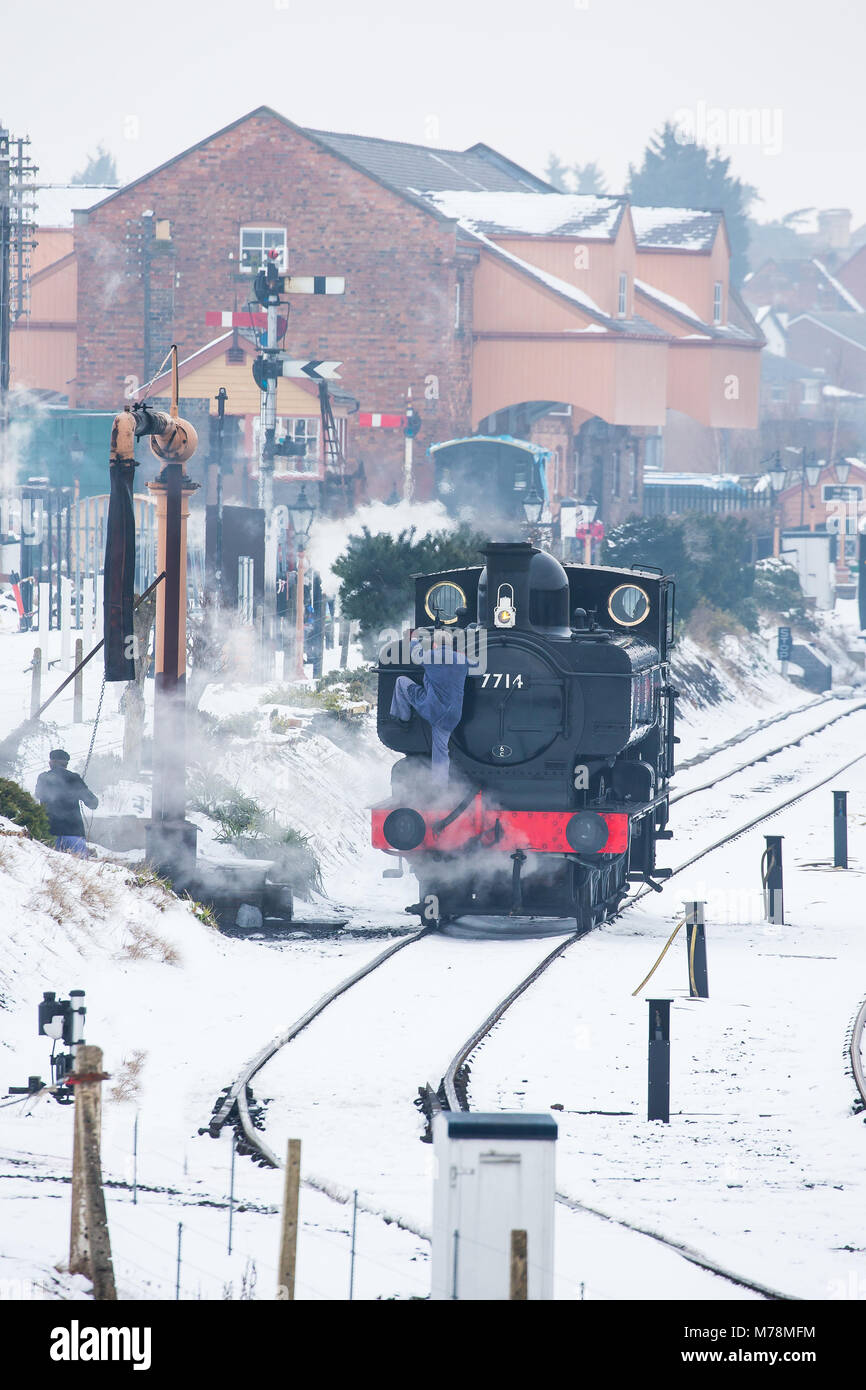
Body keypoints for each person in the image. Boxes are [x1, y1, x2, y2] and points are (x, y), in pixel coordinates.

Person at [389, 628, 470, 785]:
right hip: (453, 715)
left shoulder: (430, 656)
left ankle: (403, 719)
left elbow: (415, 653)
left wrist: (413, 639)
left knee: (401, 681)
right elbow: (477, 663)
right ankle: (440, 786)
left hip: (432, 709)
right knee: (441, 750)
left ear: (434, 644)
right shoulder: (462, 660)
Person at [35, 749, 98, 856]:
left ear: (51, 763)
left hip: (49, 832)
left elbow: (38, 794)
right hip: (73, 832)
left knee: (51, 867)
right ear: (66, 764)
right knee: (77, 867)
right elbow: (93, 803)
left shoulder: (43, 777)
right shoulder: (74, 778)